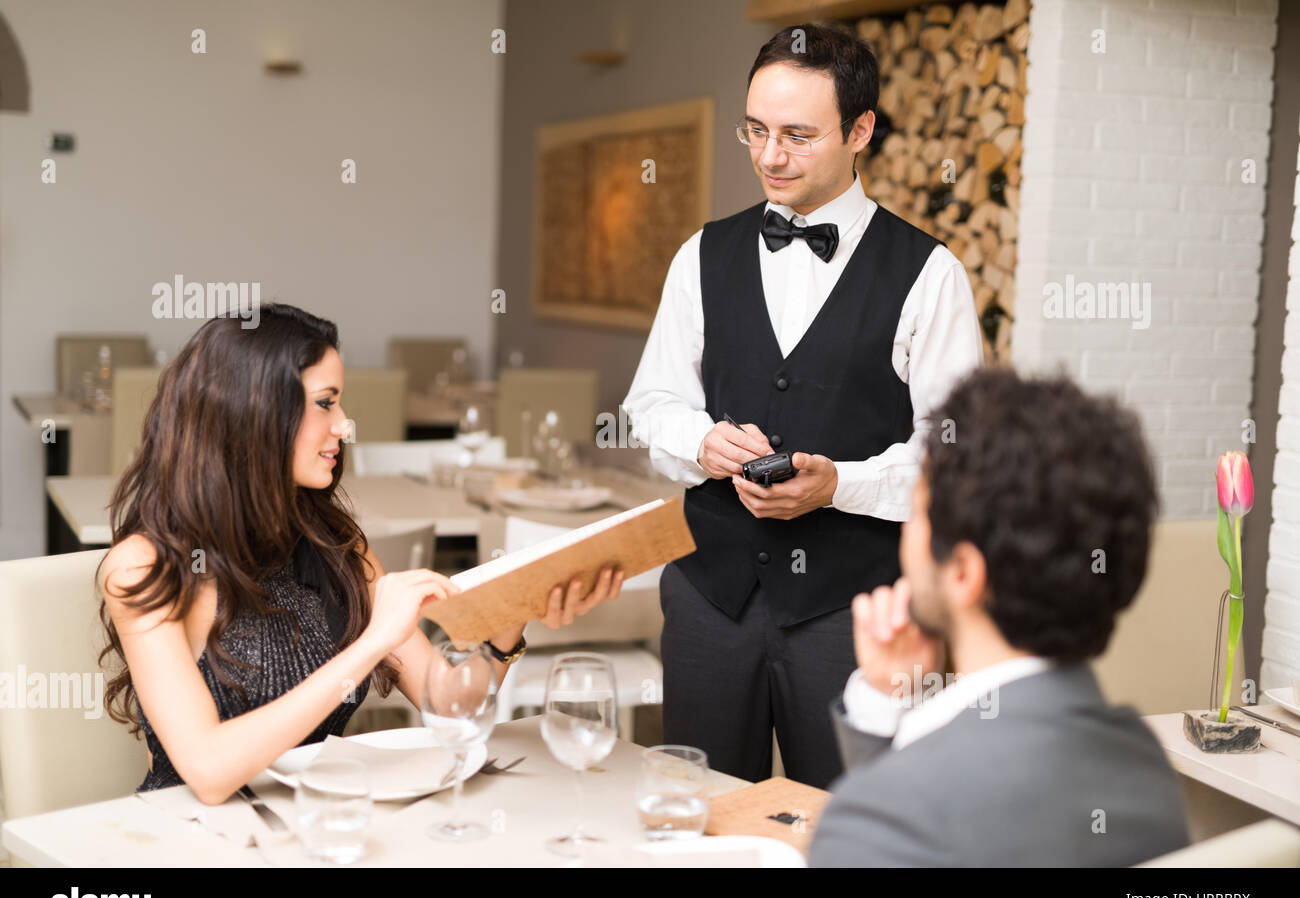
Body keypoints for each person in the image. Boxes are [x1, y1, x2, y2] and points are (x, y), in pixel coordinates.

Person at [622, 23, 983, 788]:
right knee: (702, 819)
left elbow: (956, 460)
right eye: (755, 130)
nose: (769, 157)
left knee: (855, 821)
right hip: (709, 599)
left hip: (856, 618)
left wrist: (837, 485)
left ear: (860, 131)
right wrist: (703, 441)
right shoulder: (701, 254)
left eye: (796, 135)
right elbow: (650, 406)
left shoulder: (930, 275)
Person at [98, 304, 624, 805]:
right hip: (189, 838)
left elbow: (452, 707)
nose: (345, 424)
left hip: (316, 827)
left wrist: (517, 609)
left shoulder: (333, 544)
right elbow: (209, 773)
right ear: (256, 412)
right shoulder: (145, 568)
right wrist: (373, 643)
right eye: (326, 403)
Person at [808, 367, 1190, 867]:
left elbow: (901, 822)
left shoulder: (886, 820)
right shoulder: (1145, 767)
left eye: (916, 512)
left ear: (964, 572)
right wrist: (885, 700)